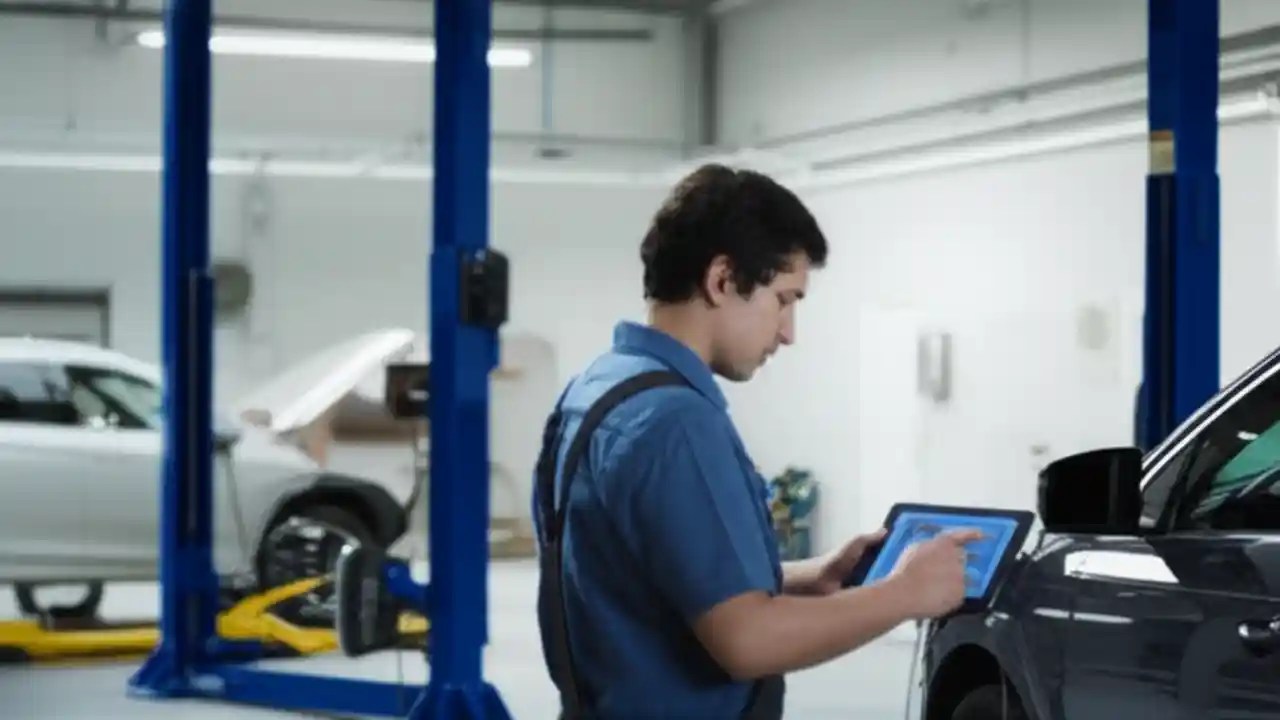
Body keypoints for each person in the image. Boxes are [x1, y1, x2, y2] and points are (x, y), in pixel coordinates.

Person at [532, 163, 981, 719]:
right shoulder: (674, 424)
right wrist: (906, 593)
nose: (789, 332)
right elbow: (748, 641)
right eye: (784, 299)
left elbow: (652, 577)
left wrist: (813, 578)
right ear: (722, 280)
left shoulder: (600, 387)